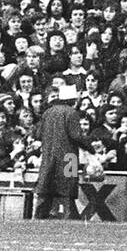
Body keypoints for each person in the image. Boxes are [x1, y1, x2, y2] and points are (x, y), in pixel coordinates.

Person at [33, 83, 94, 219]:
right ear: (73, 99)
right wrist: (91, 148)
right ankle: (70, 219)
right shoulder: (72, 113)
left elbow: (38, 134)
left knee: (45, 191)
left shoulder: (47, 112)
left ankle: (37, 219)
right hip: (69, 157)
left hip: (48, 157)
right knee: (68, 193)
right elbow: (76, 136)